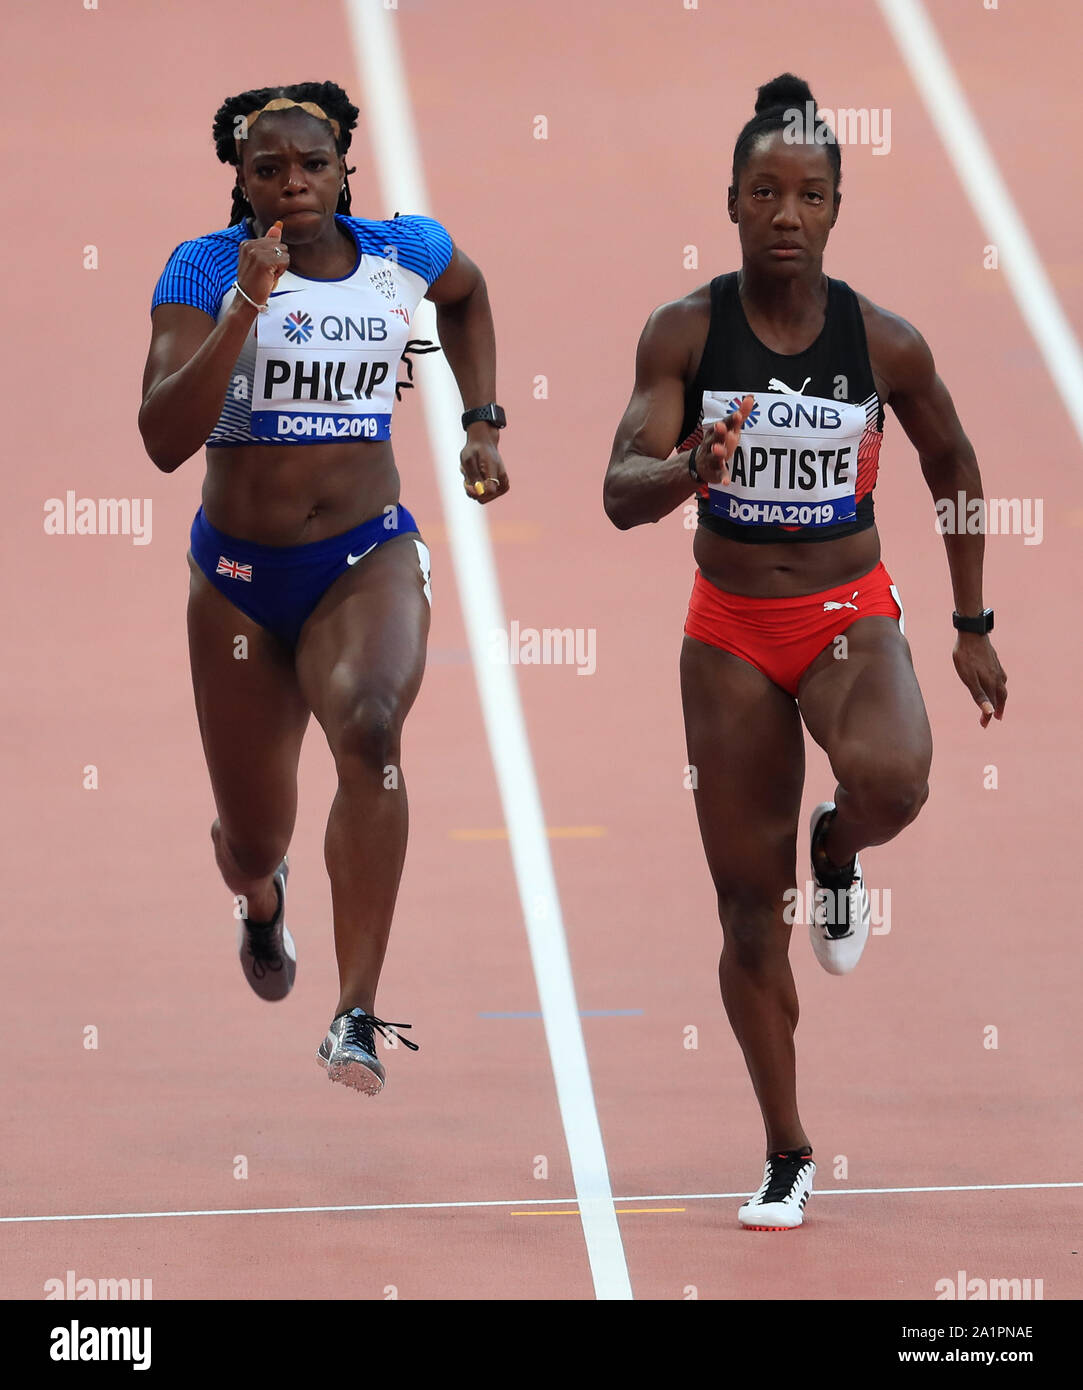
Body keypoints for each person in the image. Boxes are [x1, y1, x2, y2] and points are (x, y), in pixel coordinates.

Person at [603, 73, 1006, 1228]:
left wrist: (971, 623)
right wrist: (690, 467)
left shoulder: (883, 342)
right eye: (766, 192)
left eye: (810, 195)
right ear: (730, 200)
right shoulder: (685, 332)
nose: (787, 213)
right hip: (728, 632)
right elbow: (619, 492)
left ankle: (840, 849)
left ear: (837, 209)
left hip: (845, 614)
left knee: (896, 776)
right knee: (743, 913)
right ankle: (786, 1147)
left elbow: (958, 466)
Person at [139, 82, 509, 1095]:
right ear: (242, 183)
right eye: (269, 170)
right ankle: (263, 899)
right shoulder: (205, 268)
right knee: (252, 837)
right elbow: (164, 438)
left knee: (372, 729)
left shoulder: (406, 251)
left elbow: (469, 294)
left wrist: (483, 419)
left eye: (311, 165)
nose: (292, 184)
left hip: (364, 556)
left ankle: (354, 1010)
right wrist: (245, 308)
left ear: (347, 167)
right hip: (242, 584)